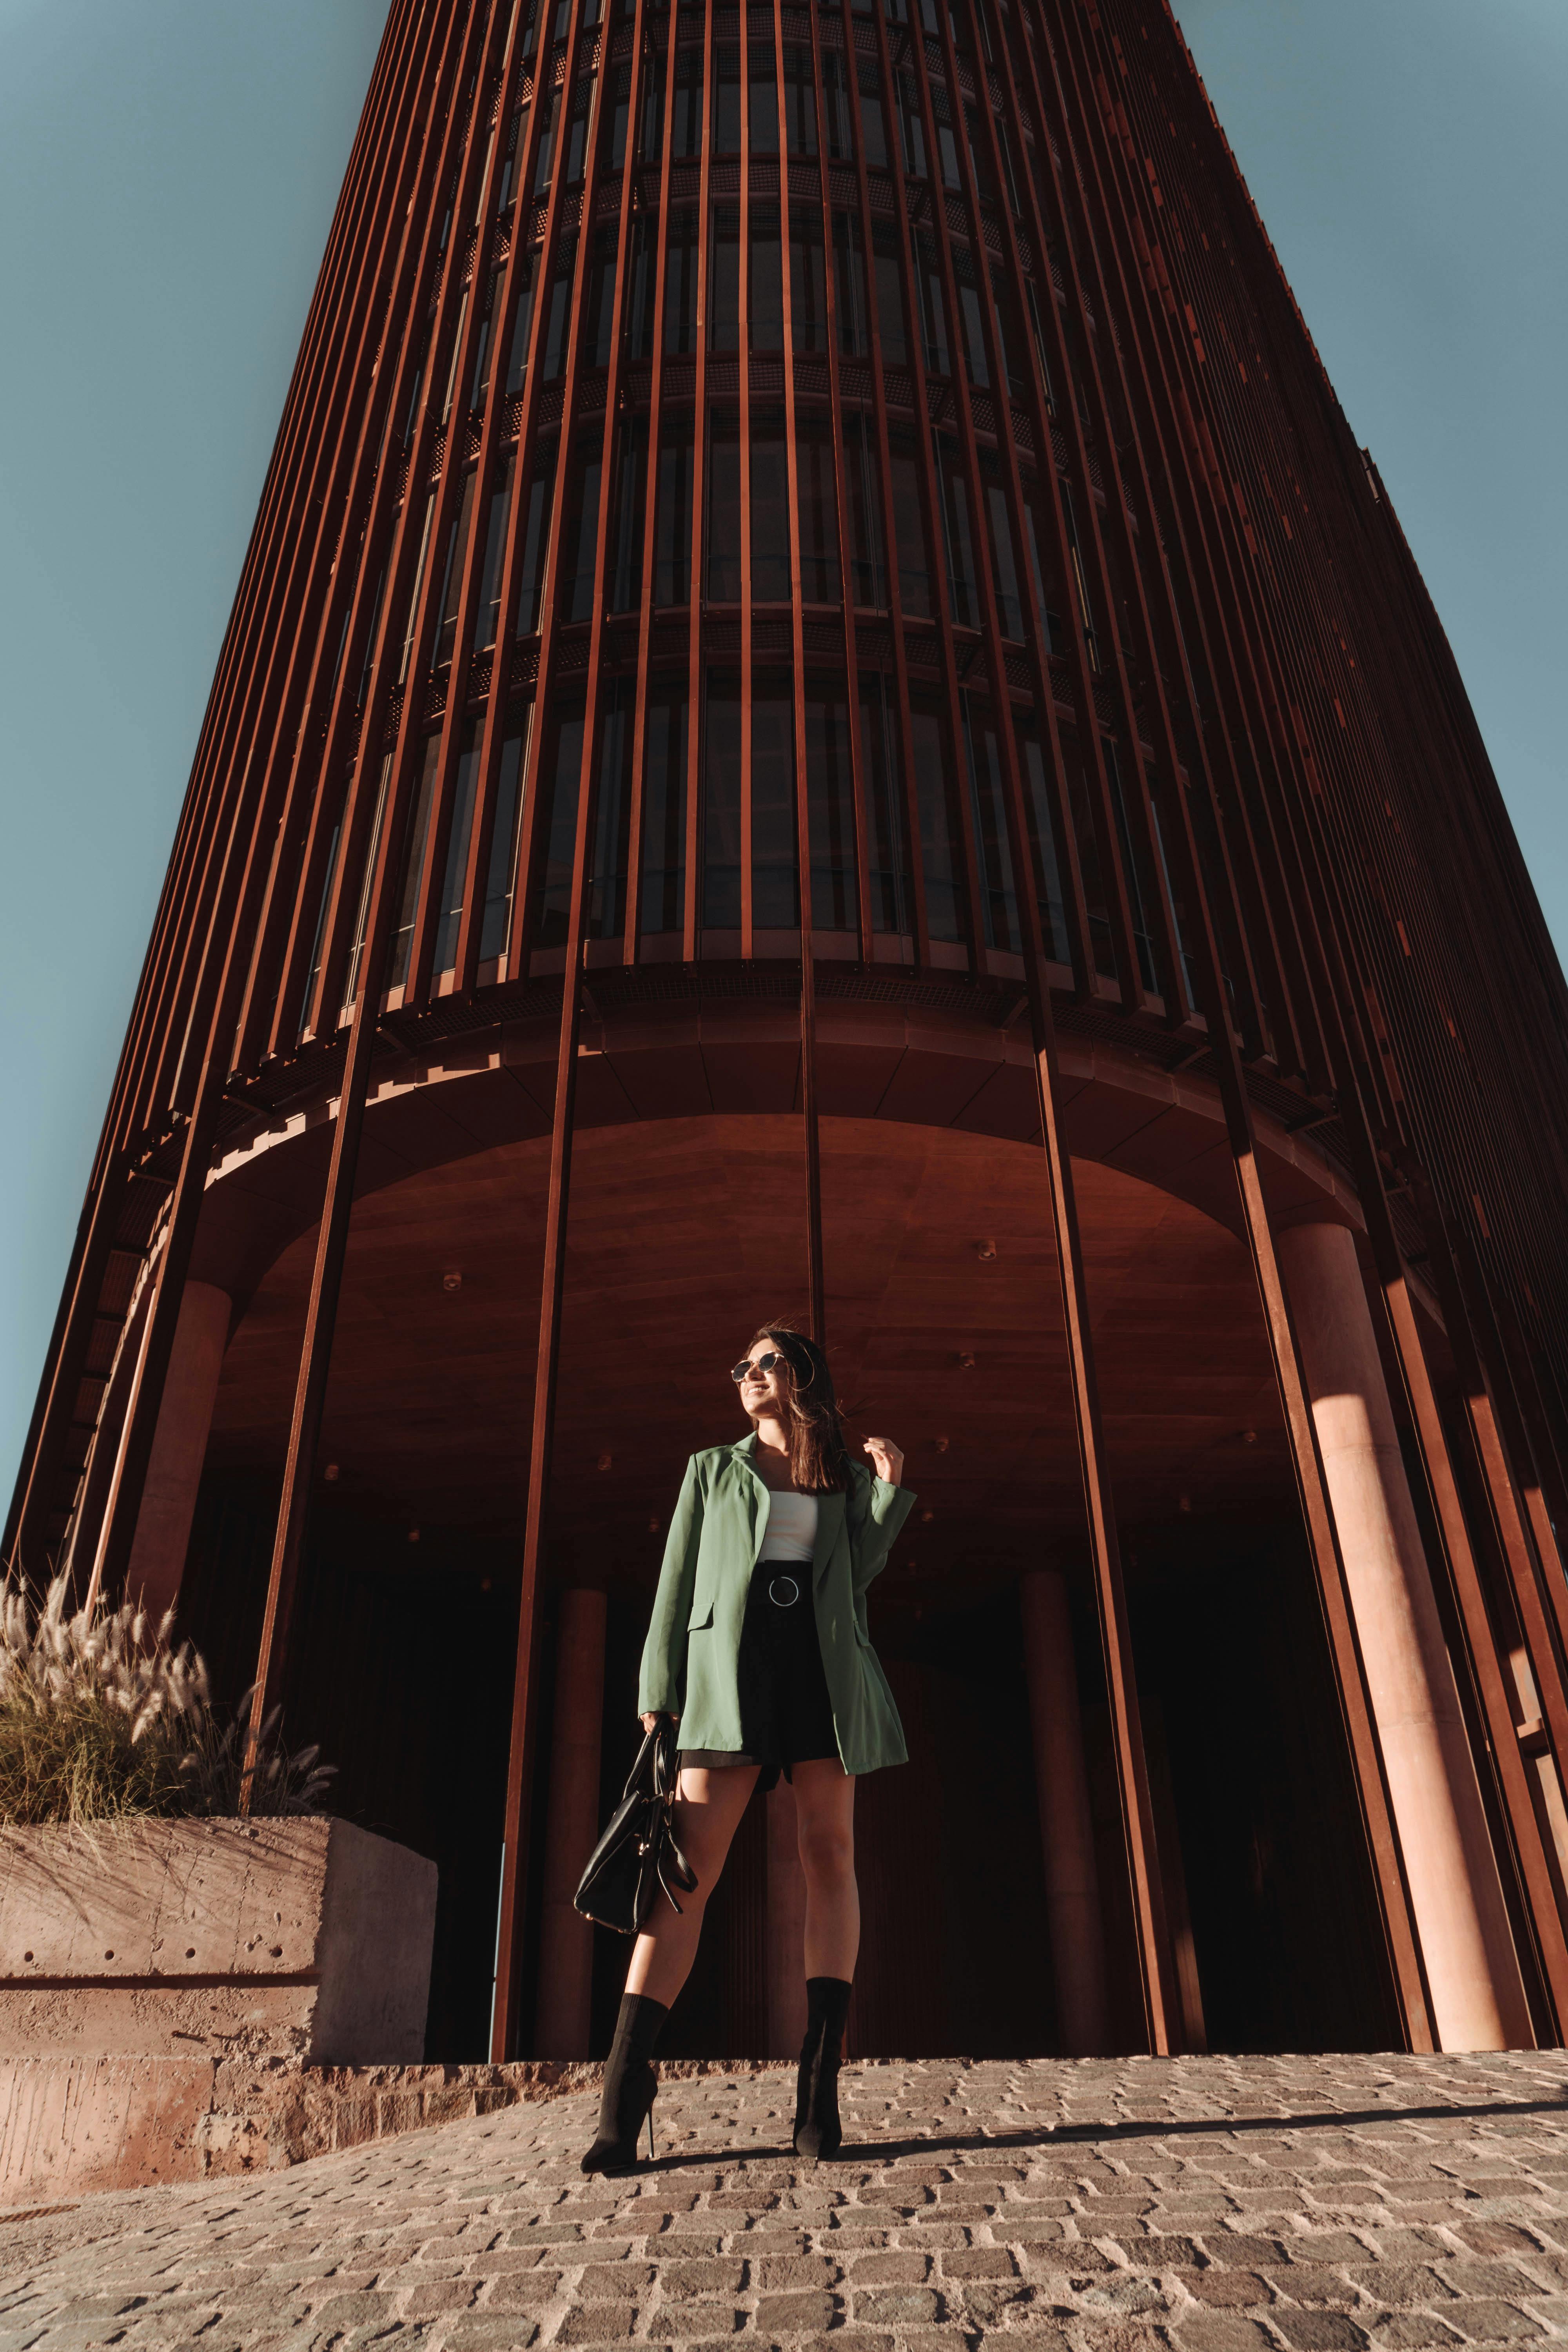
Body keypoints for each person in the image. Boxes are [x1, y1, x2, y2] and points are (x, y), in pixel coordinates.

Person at [581, 1322, 913, 2174]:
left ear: (799, 1374)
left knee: (829, 1855)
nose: (748, 1375)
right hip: (727, 1672)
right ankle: (623, 2089)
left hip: (819, 1670)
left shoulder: (836, 1476)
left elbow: (859, 1575)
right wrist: (657, 1692)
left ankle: (817, 2084)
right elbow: (675, 1581)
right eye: (740, 1366)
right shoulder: (711, 1469)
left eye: (765, 1363)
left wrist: (882, 1493)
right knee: (688, 1871)